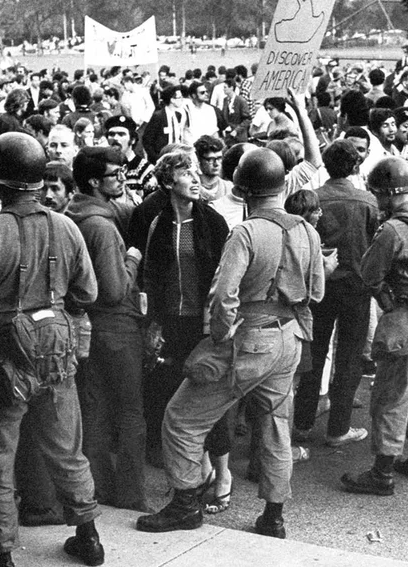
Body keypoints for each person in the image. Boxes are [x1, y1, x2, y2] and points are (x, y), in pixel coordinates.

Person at [136, 148, 322, 539]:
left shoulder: (247, 231)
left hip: (249, 338)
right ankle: (273, 515)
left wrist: (219, 340)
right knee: (275, 425)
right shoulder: (307, 229)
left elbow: (222, 296)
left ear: (244, 189)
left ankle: (185, 504)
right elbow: (316, 290)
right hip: (289, 337)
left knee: (182, 418)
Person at [0, 132, 103, 567]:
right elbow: (88, 293)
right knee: (67, 450)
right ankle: (88, 536)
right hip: (54, 358)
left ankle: (1, 563)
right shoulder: (67, 226)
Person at [340, 157, 408, 495]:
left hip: (405, 319)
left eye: (377, 193)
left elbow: (369, 273)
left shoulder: (392, 230)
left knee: (391, 394)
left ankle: (382, 472)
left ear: (388, 193)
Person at [137, 148, 232, 514]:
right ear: (167, 182)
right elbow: (152, 274)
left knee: (211, 396)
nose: (196, 178)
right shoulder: (158, 223)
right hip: (173, 323)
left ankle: (223, 476)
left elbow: (224, 275)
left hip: (204, 323)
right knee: (179, 399)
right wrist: (155, 322)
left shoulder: (212, 222)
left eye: (196, 172)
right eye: (185, 173)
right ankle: (202, 472)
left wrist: (216, 324)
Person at [66, 147, 147, 512]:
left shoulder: (73, 215)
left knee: (95, 409)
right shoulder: (100, 225)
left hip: (86, 325)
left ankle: (99, 486)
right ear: (95, 182)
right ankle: (131, 494)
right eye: (116, 175)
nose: (123, 179)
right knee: (131, 412)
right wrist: (131, 259)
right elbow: (113, 290)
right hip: (116, 325)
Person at [293, 139, 378, 447]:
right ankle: (338, 428)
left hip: (321, 285)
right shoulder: (368, 201)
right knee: (350, 357)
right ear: (355, 165)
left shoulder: (314, 199)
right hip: (357, 285)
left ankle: (302, 423)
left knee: (313, 355)